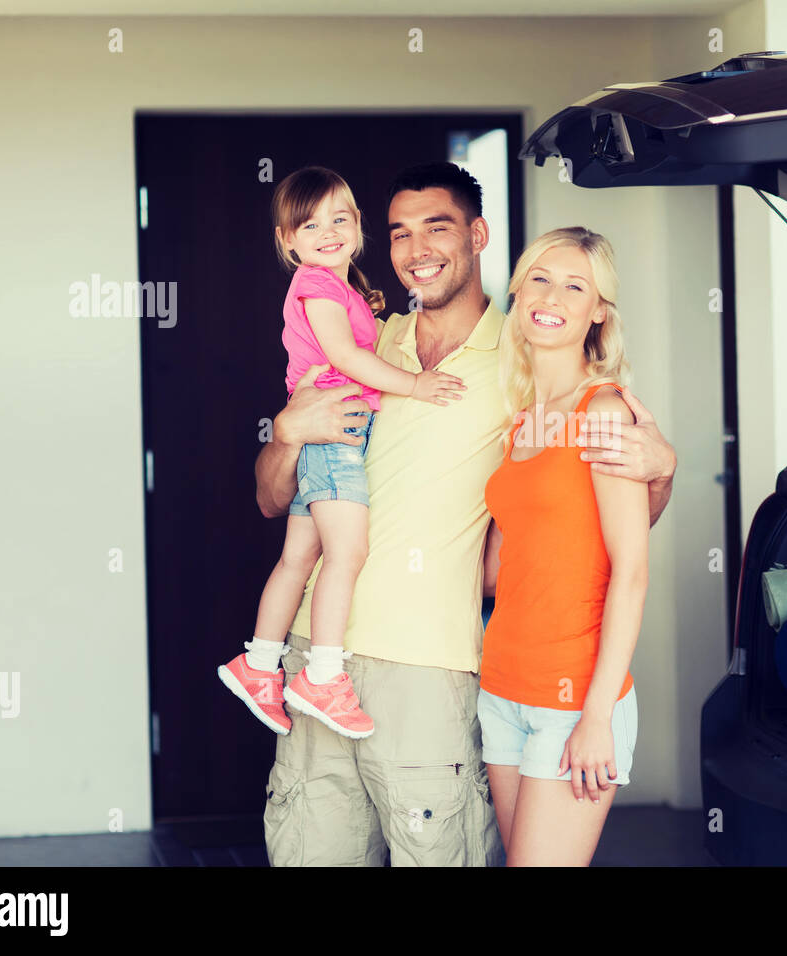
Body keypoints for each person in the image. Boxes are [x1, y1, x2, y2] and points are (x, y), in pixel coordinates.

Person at [253, 162, 677, 866]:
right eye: (399, 234)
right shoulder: (361, 345)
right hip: (314, 657)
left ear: (478, 235)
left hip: (428, 668)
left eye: (437, 228)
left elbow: (586, 517)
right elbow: (272, 497)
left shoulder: (524, 359)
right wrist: (288, 430)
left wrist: (660, 470)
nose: (417, 249)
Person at [217, 166, 464, 741]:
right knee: (346, 552)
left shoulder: (340, 287)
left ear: (357, 226)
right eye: (309, 225)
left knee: (299, 557)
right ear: (287, 240)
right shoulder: (318, 286)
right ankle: (323, 676)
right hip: (336, 439)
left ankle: (258, 665)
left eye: (340, 218)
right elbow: (346, 358)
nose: (327, 231)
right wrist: (415, 385)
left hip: (326, 441)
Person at [479, 227, 645, 866]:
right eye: (539, 279)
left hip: (573, 701)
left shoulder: (604, 410)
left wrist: (597, 717)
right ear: (518, 293)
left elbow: (630, 571)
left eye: (576, 285)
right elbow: (506, 566)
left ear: (598, 310)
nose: (552, 296)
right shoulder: (519, 420)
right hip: (501, 690)